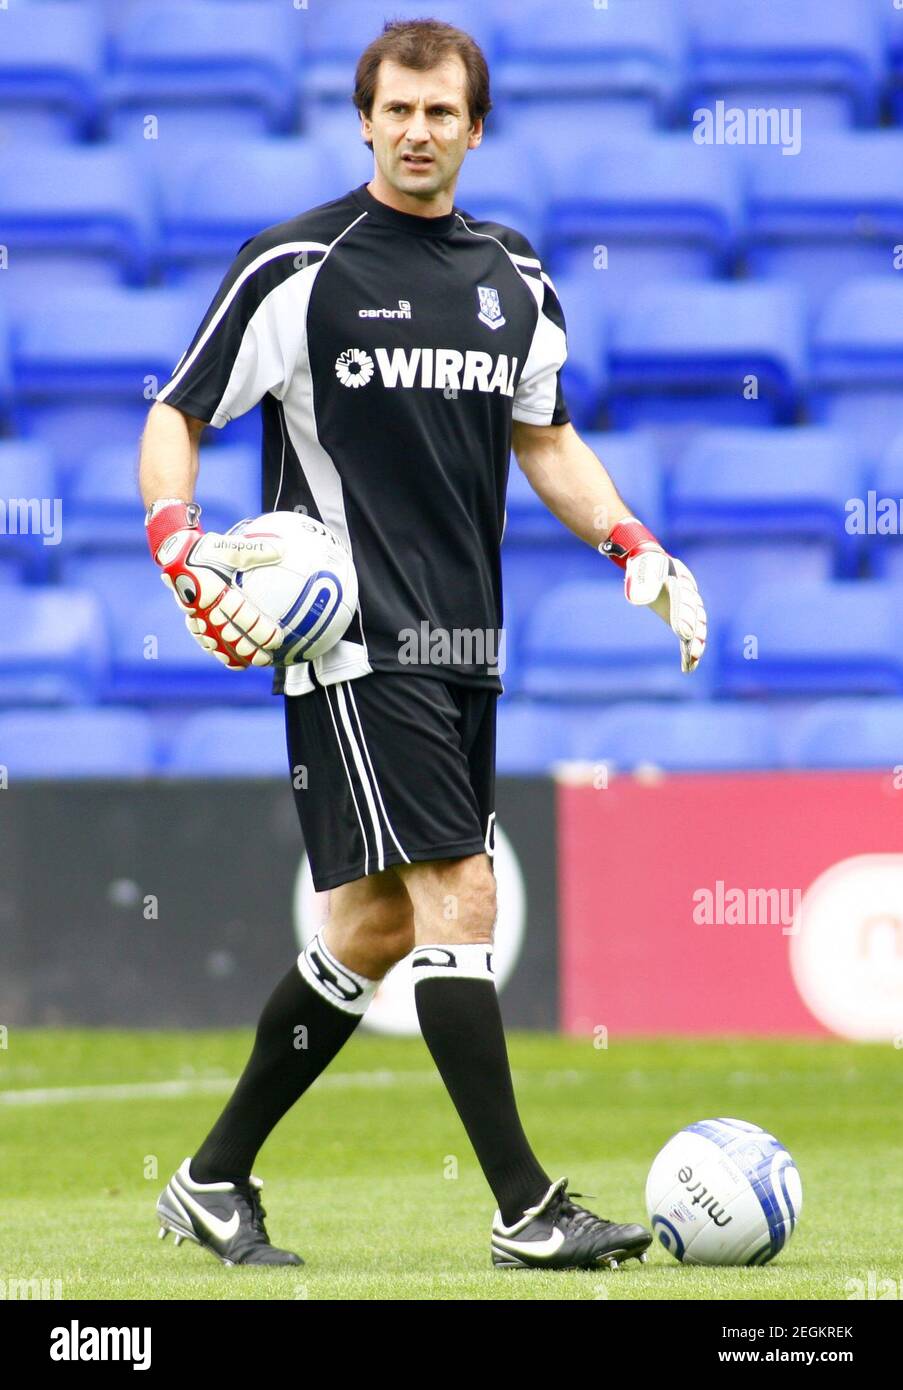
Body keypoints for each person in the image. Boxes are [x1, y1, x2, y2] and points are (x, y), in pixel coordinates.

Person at [139, 17, 706, 1272]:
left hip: (466, 643)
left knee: (377, 927)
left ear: (475, 128)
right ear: (363, 119)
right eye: (397, 110)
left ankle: (210, 1179)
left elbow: (544, 436)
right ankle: (526, 1208)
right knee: (466, 893)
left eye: (441, 113)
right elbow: (178, 410)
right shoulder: (295, 262)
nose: (417, 131)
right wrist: (176, 537)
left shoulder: (516, 277)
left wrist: (636, 547)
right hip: (354, 639)